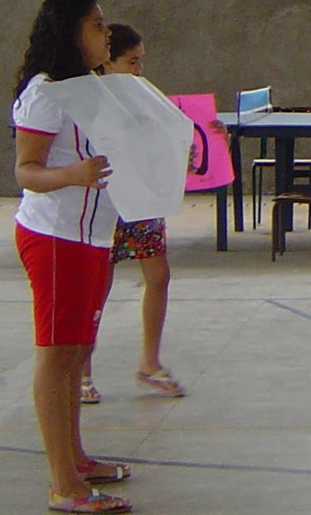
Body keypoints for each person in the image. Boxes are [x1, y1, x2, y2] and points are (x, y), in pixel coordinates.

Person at [12, 0, 135, 514]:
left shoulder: (89, 89)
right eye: (95, 26)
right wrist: (71, 176)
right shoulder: (44, 95)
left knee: (75, 352)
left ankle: (77, 458)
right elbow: (26, 170)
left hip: (89, 237)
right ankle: (64, 485)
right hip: (56, 238)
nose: (105, 34)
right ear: (69, 35)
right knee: (57, 356)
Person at [78, 25, 187, 404]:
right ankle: (82, 370)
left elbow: (167, 133)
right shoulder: (88, 96)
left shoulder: (143, 94)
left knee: (159, 275)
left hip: (141, 200)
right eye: (132, 61)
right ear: (106, 62)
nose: (139, 69)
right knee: (97, 287)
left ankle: (149, 362)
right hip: (106, 202)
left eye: (141, 60)